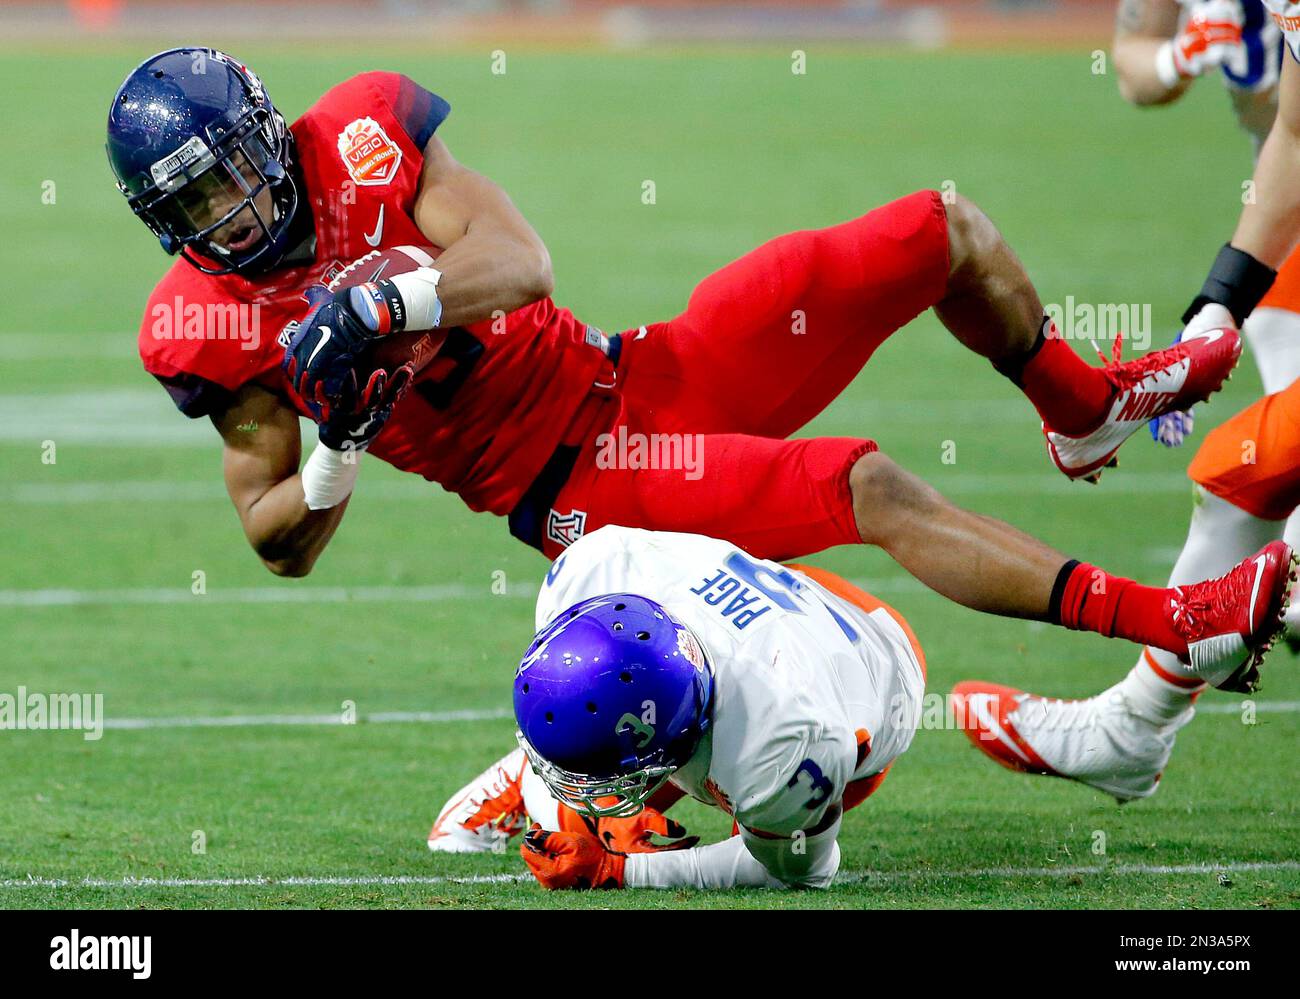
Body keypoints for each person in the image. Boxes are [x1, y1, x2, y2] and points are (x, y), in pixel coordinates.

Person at [429, 526, 1290, 882]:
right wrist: (556, 787)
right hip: (762, 608)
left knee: (767, 810)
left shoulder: (779, 745)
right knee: (595, 757)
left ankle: (614, 792)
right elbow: (588, 667)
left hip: (875, 662)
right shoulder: (592, 573)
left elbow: (796, 869)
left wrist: (625, 872)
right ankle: (563, 773)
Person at [951, 0, 1300, 800]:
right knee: (1243, 477)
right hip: (1288, 239)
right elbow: (1294, 136)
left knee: (1251, 489)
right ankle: (1135, 725)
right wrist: (1218, 306)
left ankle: (1133, 725)